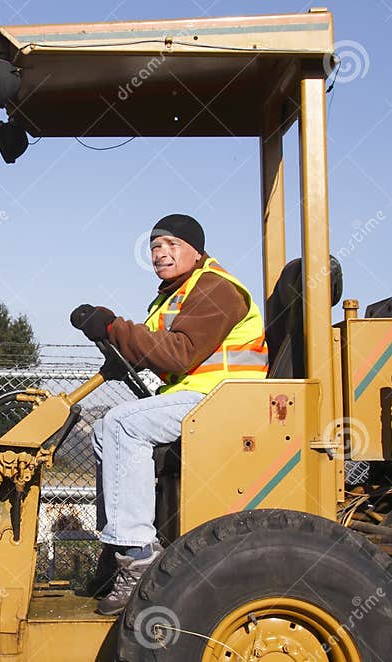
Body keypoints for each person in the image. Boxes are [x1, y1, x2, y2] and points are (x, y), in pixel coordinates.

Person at [70, 213, 268, 615]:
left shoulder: (217, 289)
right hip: (199, 397)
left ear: (197, 251)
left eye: (171, 245)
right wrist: (110, 332)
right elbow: (148, 349)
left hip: (226, 400)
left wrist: (115, 328)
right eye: (155, 247)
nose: (161, 253)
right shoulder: (174, 295)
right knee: (104, 428)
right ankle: (118, 546)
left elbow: (178, 351)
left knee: (123, 423)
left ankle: (141, 560)